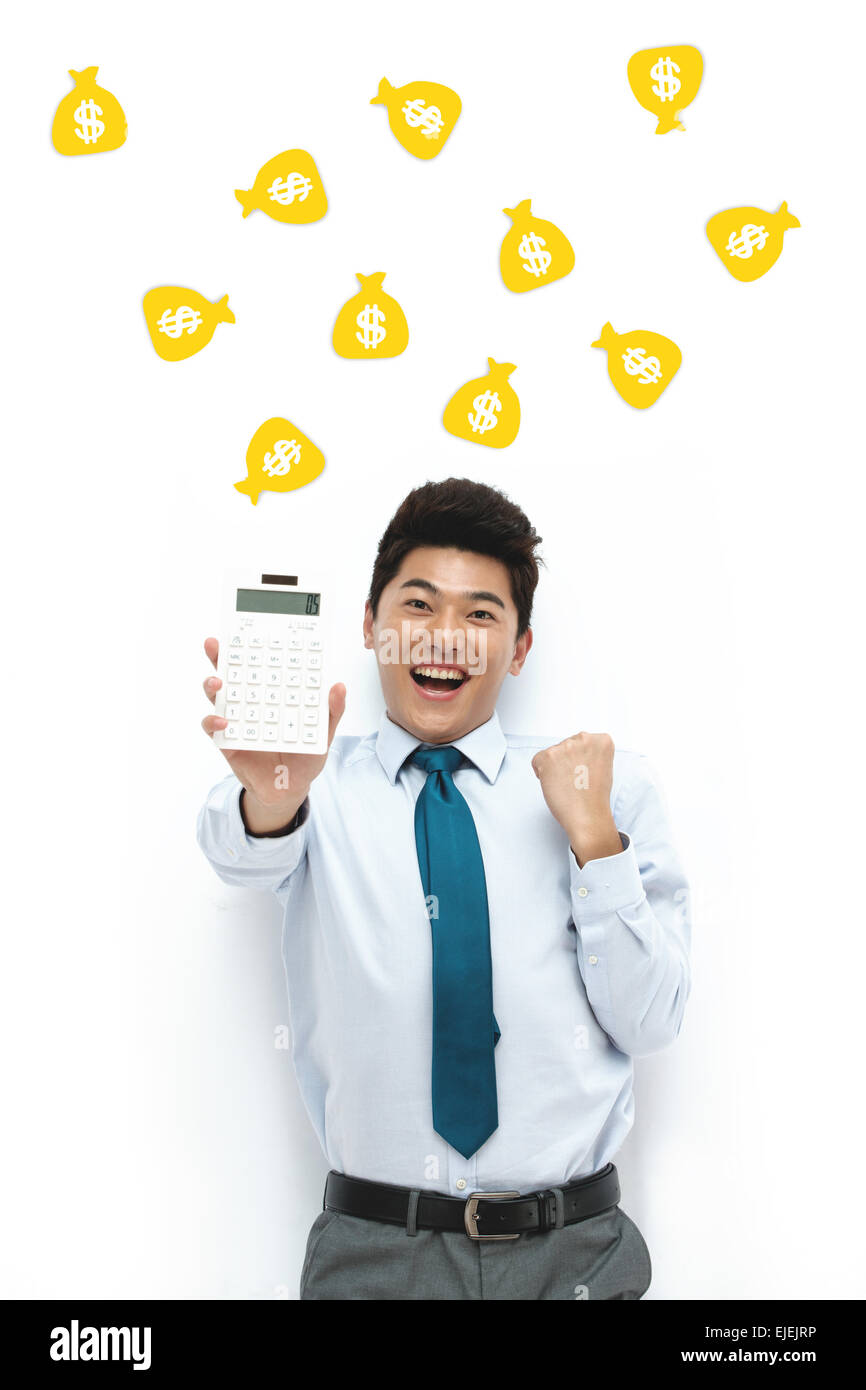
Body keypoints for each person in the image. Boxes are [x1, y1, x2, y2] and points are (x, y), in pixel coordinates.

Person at [197, 477, 691, 1300]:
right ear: (372, 625)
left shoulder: (607, 788)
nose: (447, 638)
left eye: (481, 615)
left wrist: (594, 842)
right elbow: (239, 852)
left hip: (576, 1254)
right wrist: (276, 790)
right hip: (377, 1257)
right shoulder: (318, 788)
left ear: (520, 648)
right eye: (419, 606)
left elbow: (649, 1021)